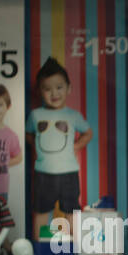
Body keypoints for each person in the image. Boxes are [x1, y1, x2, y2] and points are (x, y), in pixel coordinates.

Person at [25, 57, 93, 237]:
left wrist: (76, 146)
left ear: (69, 88)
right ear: (40, 91)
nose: (54, 93)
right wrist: (37, 147)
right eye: (47, 89)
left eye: (59, 87)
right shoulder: (36, 115)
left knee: (71, 211)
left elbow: (88, 133)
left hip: (68, 173)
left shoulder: (73, 115)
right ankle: (38, 252)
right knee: (40, 211)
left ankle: (76, 249)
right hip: (43, 173)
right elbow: (28, 133)